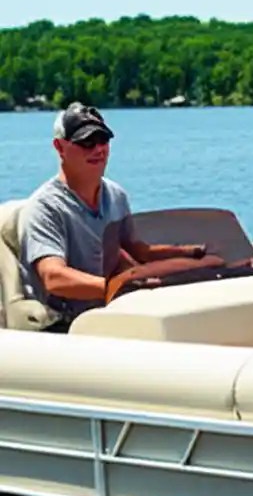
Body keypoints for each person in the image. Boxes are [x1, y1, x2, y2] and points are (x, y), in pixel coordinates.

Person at [19, 102, 208, 332]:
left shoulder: (116, 196)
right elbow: (54, 277)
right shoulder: (45, 207)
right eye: (87, 142)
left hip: (111, 315)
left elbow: (139, 252)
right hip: (64, 327)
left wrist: (194, 255)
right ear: (60, 147)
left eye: (103, 140)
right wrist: (119, 287)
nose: (98, 149)